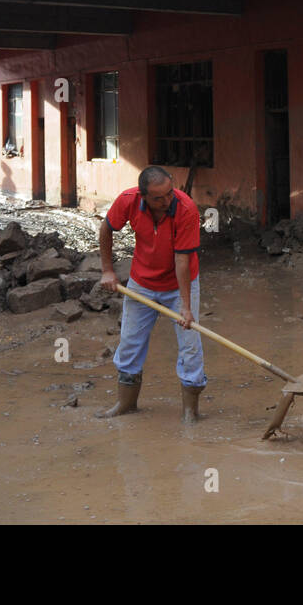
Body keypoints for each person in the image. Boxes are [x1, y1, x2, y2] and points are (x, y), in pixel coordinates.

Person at [97, 165, 206, 422]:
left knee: (191, 347)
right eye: (158, 197)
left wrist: (186, 307)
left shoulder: (186, 208)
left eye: (170, 193)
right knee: (129, 343)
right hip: (141, 283)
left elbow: (182, 261)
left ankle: (190, 411)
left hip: (180, 284)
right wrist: (107, 270)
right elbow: (106, 229)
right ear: (143, 195)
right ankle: (126, 404)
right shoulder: (128, 201)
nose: (167, 201)